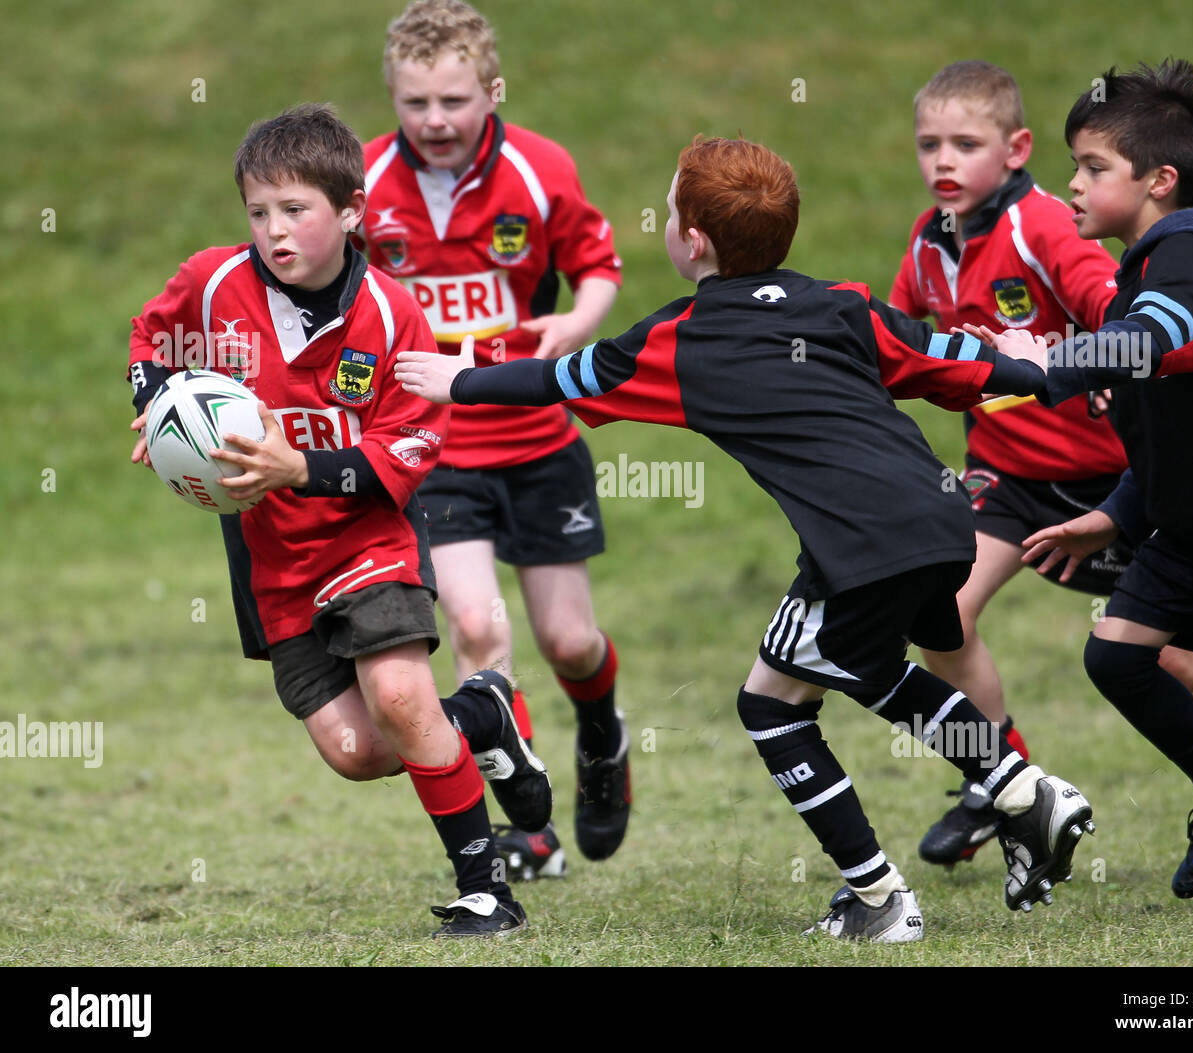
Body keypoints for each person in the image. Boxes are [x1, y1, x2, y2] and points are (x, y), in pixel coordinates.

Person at [393, 135, 1096, 941]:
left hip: (864, 543)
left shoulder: (681, 339)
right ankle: (1011, 789)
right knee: (841, 675)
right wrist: (1031, 368)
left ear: (691, 241)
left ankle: (890, 891)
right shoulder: (842, 303)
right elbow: (946, 354)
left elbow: (561, 377)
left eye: (665, 211)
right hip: (936, 518)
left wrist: (460, 380)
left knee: (770, 706)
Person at [127, 103, 550, 937]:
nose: (274, 231)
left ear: (351, 210)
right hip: (272, 559)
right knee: (358, 752)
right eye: (258, 212)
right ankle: (482, 711)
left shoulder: (393, 317)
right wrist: (160, 409)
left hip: (369, 537)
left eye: (296, 211)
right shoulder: (215, 283)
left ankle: (485, 889)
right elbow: (151, 337)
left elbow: (409, 449)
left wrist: (301, 467)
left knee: (398, 696)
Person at [982, 60, 1193, 913]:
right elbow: (1166, 430)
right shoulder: (1145, 271)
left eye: (1092, 169)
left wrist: (1053, 362)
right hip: (1192, 529)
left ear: (1160, 181)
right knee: (1116, 652)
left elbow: (1165, 339)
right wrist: (1113, 514)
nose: (1071, 186)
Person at [360, 0, 625, 877]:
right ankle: (533, 823)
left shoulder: (538, 168)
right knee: (475, 625)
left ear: (492, 90)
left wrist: (572, 325)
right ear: (392, 99)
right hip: (435, 449)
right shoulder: (362, 184)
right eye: (415, 103)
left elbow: (598, 267)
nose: (435, 121)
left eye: (454, 100)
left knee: (568, 642)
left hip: (538, 437)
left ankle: (601, 731)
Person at [889, 60, 1132, 867]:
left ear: (1018, 148)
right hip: (1005, 478)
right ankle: (1002, 779)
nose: (943, 162)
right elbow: (897, 339)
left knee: (1178, 656)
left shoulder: (1041, 226)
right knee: (940, 613)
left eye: (966, 143)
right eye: (929, 144)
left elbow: (1117, 314)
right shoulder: (929, 245)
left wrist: (1099, 369)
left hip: (1107, 481)